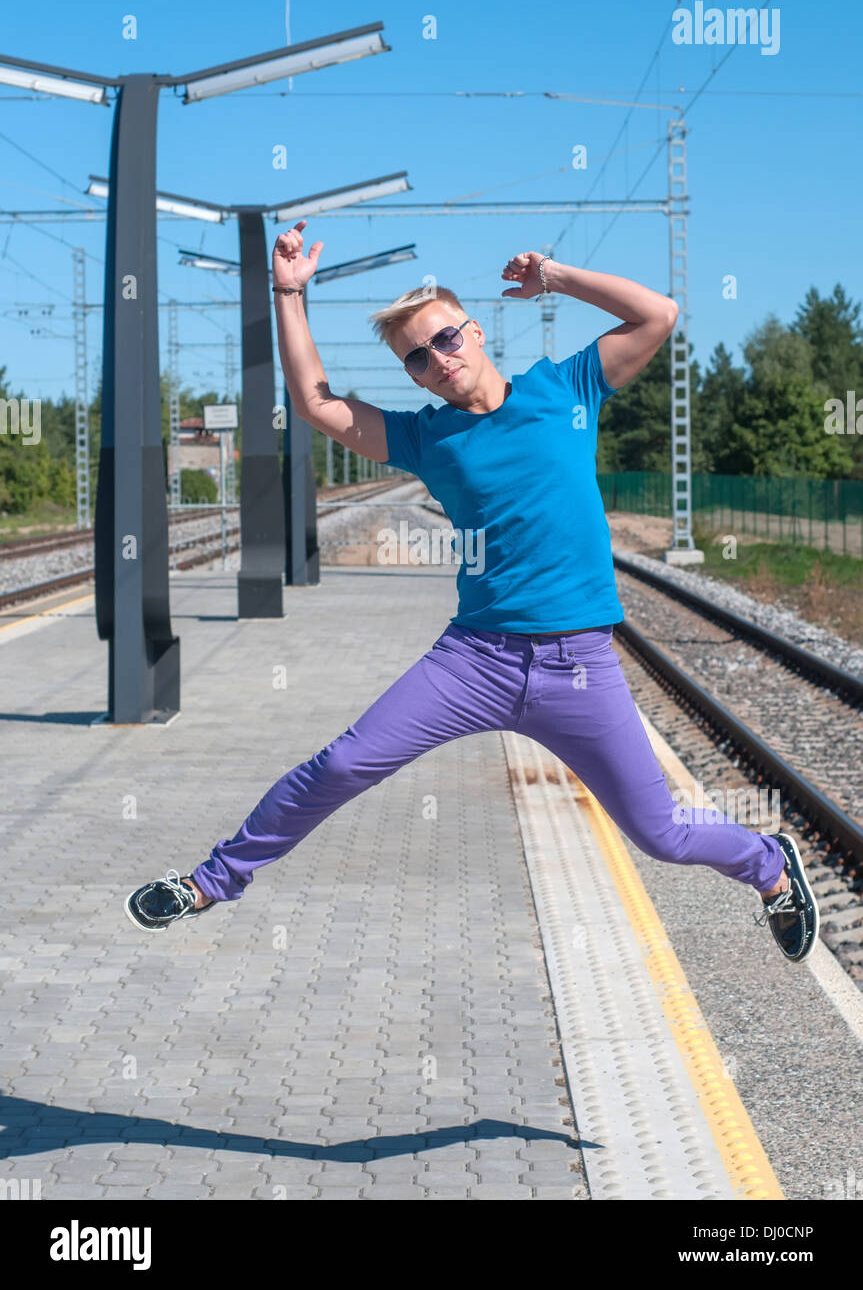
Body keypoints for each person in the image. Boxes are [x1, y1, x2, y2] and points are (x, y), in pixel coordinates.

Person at [125, 223, 819, 964]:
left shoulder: (565, 387)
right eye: (417, 359)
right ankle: (211, 882)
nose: (437, 361)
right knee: (341, 765)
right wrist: (288, 293)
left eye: (445, 339)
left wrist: (552, 275)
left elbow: (657, 315)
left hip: (576, 665)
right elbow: (318, 405)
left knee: (661, 834)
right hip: (476, 660)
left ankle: (770, 868)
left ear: (475, 331)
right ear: (415, 377)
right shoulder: (427, 438)